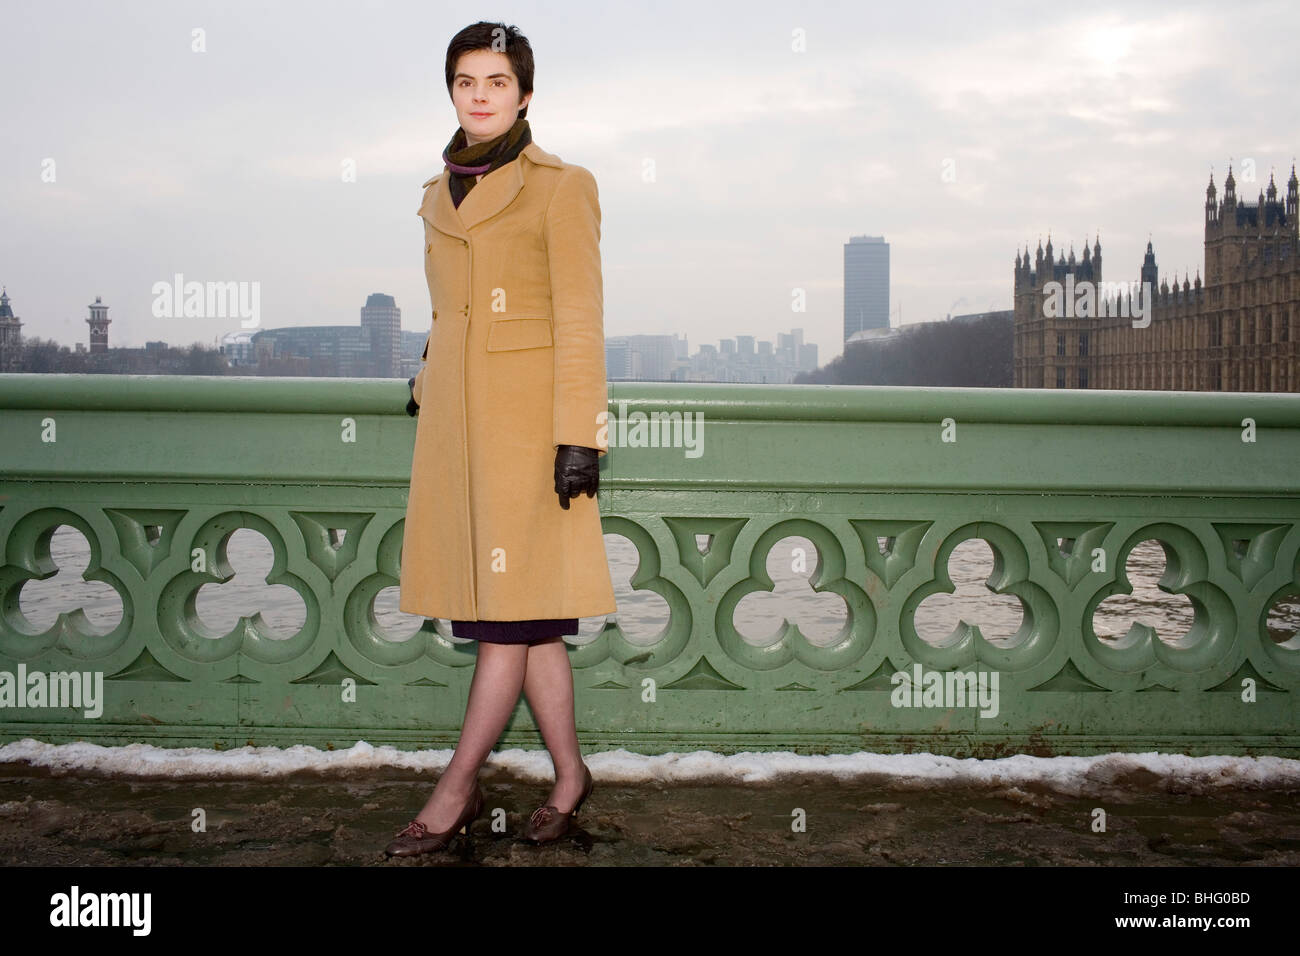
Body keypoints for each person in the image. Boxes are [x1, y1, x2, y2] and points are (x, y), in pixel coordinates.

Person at [386, 21, 618, 857]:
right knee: (530, 623)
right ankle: (570, 777)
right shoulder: (434, 192)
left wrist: (579, 436)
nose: (479, 95)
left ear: (524, 93)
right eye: (464, 81)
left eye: (495, 80)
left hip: (532, 441)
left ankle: (455, 788)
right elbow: (452, 313)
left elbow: (580, 321)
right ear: (452, 91)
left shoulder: (563, 185)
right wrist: (424, 380)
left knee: (504, 628)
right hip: (458, 432)